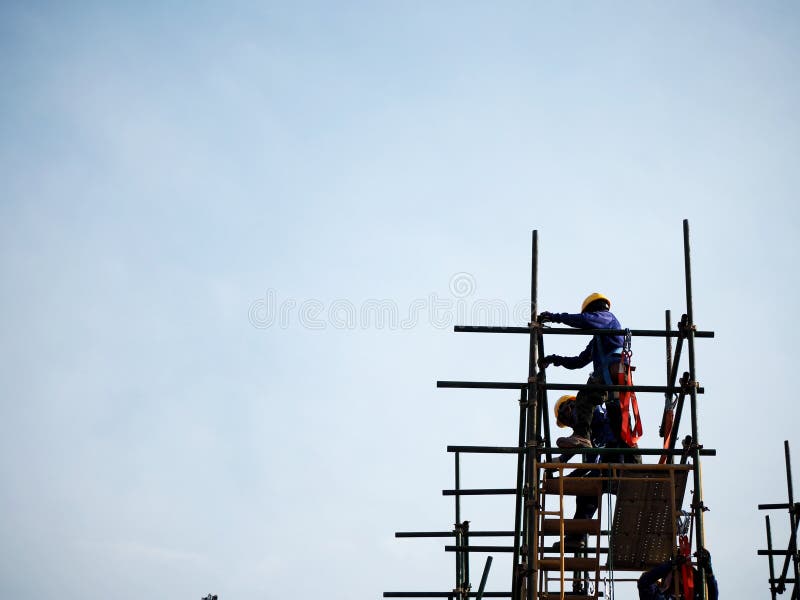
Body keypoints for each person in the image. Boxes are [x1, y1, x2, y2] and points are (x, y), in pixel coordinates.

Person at [538, 292, 633, 450]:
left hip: (614, 370)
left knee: (585, 397)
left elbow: (585, 320)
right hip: (610, 375)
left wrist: (556, 317)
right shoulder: (598, 340)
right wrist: (555, 359)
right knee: (618, 423)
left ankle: (582, 435)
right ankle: (633, 468)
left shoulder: (607, 317)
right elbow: (579, 361)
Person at [637, 549, 718, 600]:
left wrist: (708, 570)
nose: (681, 580)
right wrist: (671, 565)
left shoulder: (693, 595)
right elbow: (644, 583)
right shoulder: (656, 595)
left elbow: (711, 596)